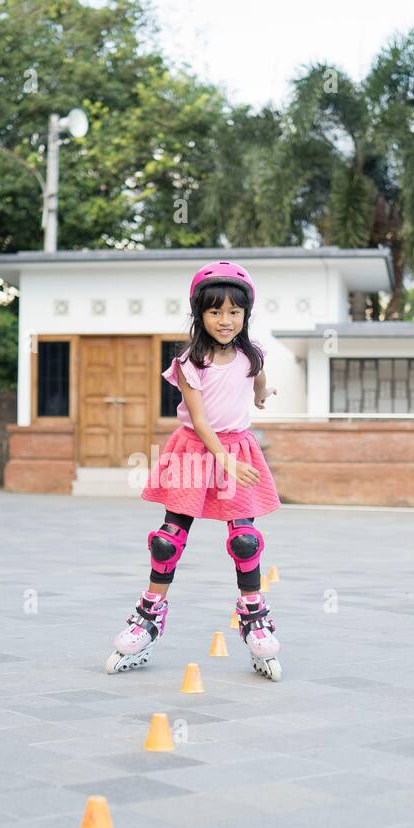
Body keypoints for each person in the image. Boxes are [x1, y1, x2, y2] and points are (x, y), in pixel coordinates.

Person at [106, 259, 283, 680]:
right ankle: (148, 617)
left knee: (245, 539)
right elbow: (201, 422)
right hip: (193, 449)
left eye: (234, 312)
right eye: (216, 311)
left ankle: (255, 619)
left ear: (246, 314)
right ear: (200, 314)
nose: (226, 320)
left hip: (237, 445)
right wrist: (221, 459)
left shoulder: (251, 355)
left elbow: (257, 378)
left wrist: (261, 396)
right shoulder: (190, 362)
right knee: (168, 540)